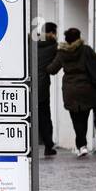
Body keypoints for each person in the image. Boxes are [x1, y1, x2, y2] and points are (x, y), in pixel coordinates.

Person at [46, 26, 96, 157]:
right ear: (79, 37)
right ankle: (82, 145)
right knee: (84, 117)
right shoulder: (86, 50)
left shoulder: (62, 53)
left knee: (75, 119)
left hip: (70, 89)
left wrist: (44, 65)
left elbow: (52, 69)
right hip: (86, 88)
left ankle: (81, 146)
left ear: (66, 39)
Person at [37, 22, 59, 156]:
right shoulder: (54, 46)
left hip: (28, 85)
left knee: (29, 117)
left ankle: (29, 146)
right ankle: (48, 146)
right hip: (43, 85)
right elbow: (53, 69)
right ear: (52, 33)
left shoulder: (30, 43)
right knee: (45, 116)